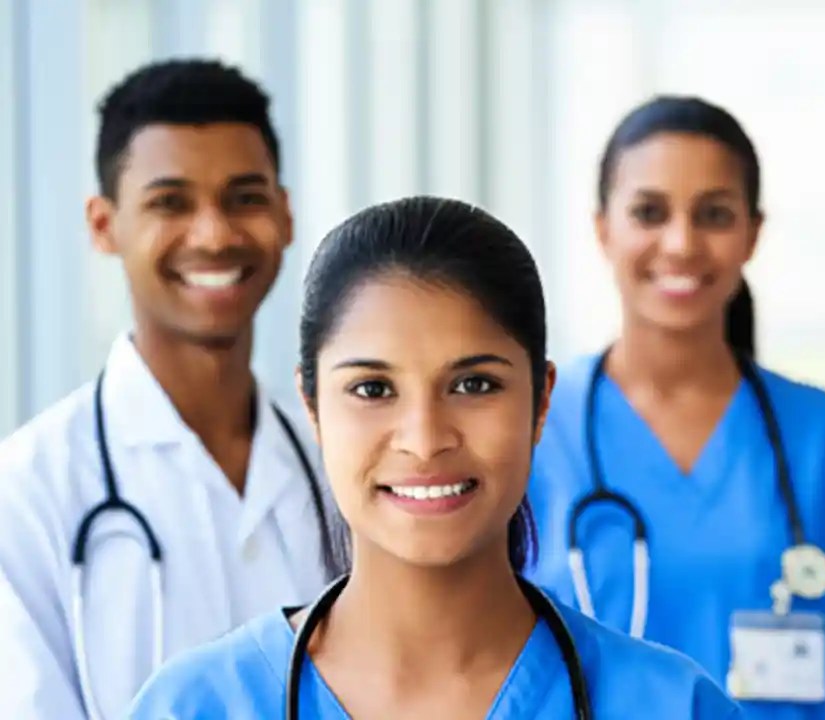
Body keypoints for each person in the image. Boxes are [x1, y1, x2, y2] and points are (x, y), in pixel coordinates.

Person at [128, 195, 745, 718]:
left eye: (473, 385)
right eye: (372, 389)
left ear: (540, 400)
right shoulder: (195, 705)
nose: (424, 440)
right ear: (313, 408)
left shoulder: (670, 705)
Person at [523, 95, 825, 718]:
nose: (682, 242)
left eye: (714, 214)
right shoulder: (532, 433)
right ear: (601, 229)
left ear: (753, 232)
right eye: (649, 212)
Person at [0, 59, 334, 720]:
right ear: (104, 225)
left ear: (286, 215)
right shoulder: (27, 492)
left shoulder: (336, 462)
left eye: (244, 197)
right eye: (170, 202)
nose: (213, 233)